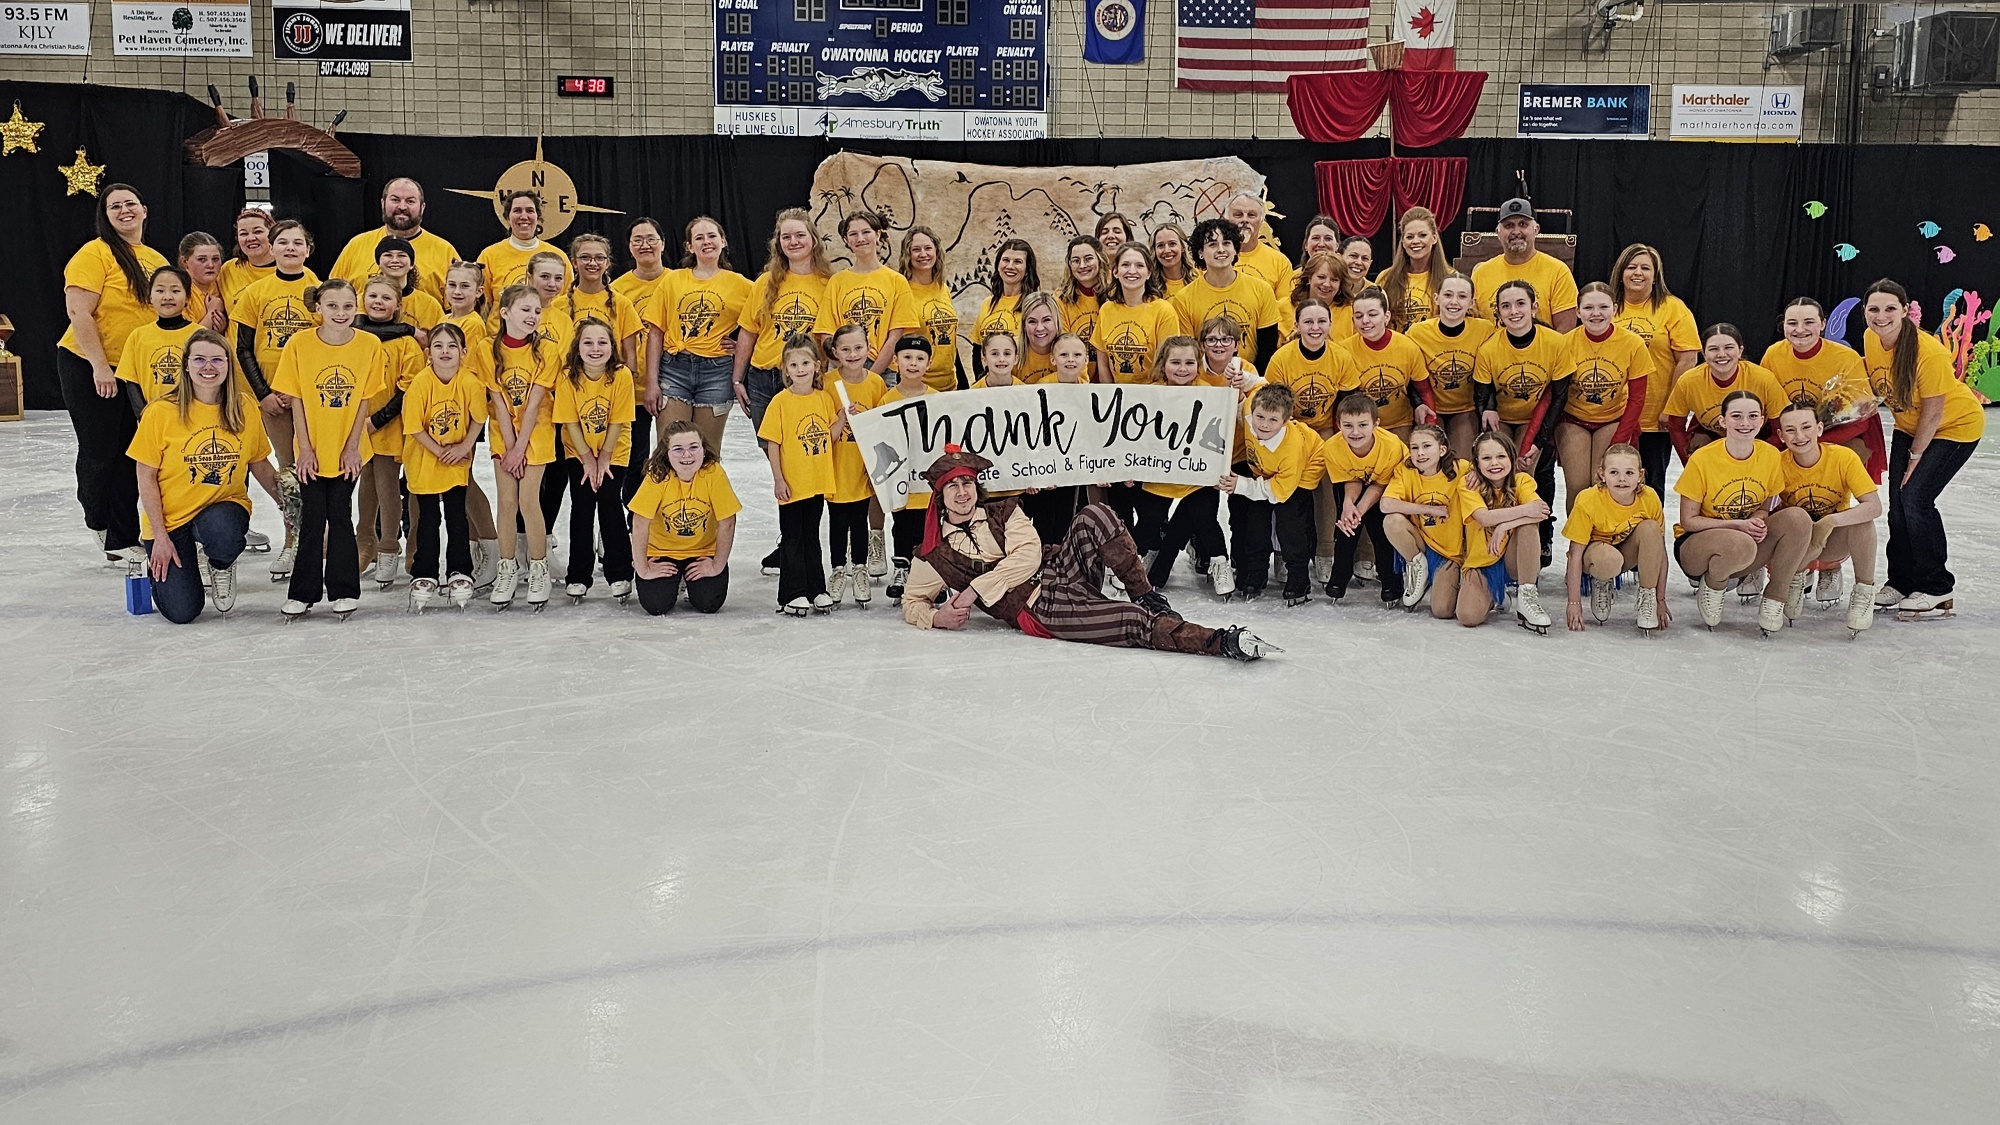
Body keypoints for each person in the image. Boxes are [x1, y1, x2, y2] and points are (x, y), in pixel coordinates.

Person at [900, 446, 1271, 660]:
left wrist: (974, 590)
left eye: (967, 483)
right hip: (1041, 610)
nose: (963, 493)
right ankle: (1222, 641)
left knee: (1096, 513)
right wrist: (937, 619)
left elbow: (1028, 554)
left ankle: (1146, 594)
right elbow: (912, 600)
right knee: (1129, 619)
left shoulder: (1004, 510)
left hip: (1061, 570)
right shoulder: (934, 555)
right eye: (953, 487)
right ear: (941, 496)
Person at [129, 329, 285, 623]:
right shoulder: (160, 412)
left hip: (221, 509)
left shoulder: (244, 407)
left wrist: (288, 507)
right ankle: (180, 565)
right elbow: (145, 477)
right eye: (199, 359)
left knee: (223, 531)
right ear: (186, 364)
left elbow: (260, 464)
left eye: (217, 359)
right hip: (171, 520)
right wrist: (160, 538)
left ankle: (220, 563)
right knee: (182, 612)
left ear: (228, 365)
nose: (208, 367)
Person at [1859, 278, 1986, 616]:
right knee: (1898, 504)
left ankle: (1936, 587)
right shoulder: (1871, 338)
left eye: (1890, 308)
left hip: (1954, 427)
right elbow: (1878, 382)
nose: (1881, 315)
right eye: (1874, 309)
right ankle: (1900, 580)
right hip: (1908, 426)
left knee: (1916, 498)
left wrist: (1916, 457)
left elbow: (1933, 412)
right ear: (1865, 312)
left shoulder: (1928, 353)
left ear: (1905, 310)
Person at [58, 184, 170, 564]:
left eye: (130, 204)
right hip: (88, 363)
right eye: (114, 206)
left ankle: (123, 537)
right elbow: (79, 312)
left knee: (132, 453)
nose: (124, 211)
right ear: (105, 216)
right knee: (100, 450)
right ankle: (97, 518)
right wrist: (100, 366)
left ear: (144, 209)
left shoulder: (154, 258)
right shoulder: (95, 253)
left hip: (135, 369)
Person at [271, 279, 387, 620]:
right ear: (318, 308)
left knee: (339, 513)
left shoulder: (369, 345)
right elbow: (298, 399)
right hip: (312, 446)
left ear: (357, 307)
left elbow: (364, 400)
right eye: (332, 306)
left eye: (348, 306)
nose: (341, 313)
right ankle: (302, 593)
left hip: (348, 448)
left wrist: (352, 448)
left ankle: (344, 590)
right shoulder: (299, 344)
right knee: (312, 517)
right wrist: (305, 449)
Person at [1673, 390, 1811, 634]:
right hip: (1696, 546)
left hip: (1745, 540)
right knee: (1740, 543)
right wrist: (1738, 526)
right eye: (1736, 416)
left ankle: (1776, 595)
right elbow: (1689, 521)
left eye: (1752, 416)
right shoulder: (1703, 459)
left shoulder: (1769, 455)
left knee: (1798, 519)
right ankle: (1713, 585)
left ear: (1762, 420)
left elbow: (1764, 506)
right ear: (1723, 421)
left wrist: (1758, 520)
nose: (1745, 423)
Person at [470, 283, 560, 609]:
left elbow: (535, 404)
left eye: (537, 311)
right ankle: (506, 568)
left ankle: (539, 568)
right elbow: (496, 398)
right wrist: (509, 447)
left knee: (527, 499)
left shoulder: (547, 349)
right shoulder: (486, 349)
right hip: (503, 432)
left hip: (535, 433)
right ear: (505, 312)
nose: (533, 316)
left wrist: (520, 449)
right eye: (525, 310)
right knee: (506, 500)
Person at [1472, 279, 1571, 563]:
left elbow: (1559, 396)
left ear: (1533, 307)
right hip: (1503, 417)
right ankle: (1496, 538)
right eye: (1506, 306)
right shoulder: (1490, 347)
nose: (1513, 311)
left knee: (1534, 474)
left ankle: (1540, 535)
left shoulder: (1554, 343)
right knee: (1500, 472)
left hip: (1537, 417)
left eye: (1520, 304)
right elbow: (1482, 393)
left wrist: (1540, 442)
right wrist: (1487, 408)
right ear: (1498, 312)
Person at [1263, 297, 1361, 580]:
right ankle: (1284, 553)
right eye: (1308, 321)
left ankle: (1325, 552)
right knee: (1286, 489)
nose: (1315, 327)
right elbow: (1272, 406)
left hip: (1325, 429)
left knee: (1328, 487)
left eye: (1321, 321)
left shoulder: (1341, 357)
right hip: (1289, 429)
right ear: (1296, 326)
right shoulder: (1282, 358)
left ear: (1331, 324)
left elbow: (1346, 404)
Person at [400, 323, 488, 611]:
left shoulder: (471, 383)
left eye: (452, 346)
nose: (445, 351)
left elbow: (478, 418)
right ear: (428, 353)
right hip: (425, 459)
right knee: (427, 518)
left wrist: (463, 448)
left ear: (463, 351)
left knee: (456, 516)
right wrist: (439, 451)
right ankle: (424, 572)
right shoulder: (420, 384)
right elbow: (413, 426)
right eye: (438, 346)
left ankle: (460, 570)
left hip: (456, 460)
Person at [1774, 401, 1882, 634]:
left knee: (1863, 521)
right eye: (1790, 430)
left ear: (1820, 429)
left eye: (1806, 427)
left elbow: (1874, 506)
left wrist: (1831, 521)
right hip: (1795, 547)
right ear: (1781, 435)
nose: (1799, 436)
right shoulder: (1776, 464)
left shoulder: (1843, 458)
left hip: (1832, 540)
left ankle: (1864, 591)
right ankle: (1794, 576)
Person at [644, 217, 750, 455]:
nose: (706, 242)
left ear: (722, 241)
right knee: (671, 449)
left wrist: (740, 345)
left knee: (707, 452)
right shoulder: (673, 279)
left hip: (716, 372)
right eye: (699, 238)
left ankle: (703, 494)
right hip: (674, 369)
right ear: (690, 247)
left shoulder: (740, 285)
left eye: (712, 236)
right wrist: (651, 382)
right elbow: (655, 333)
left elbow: (758, 324)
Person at [1135, 337, 1230, 593]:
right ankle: (1132, 565)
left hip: (1196, 476)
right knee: (1148, 522)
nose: (1182, 368)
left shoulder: (1211, 393)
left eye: (1189, 362)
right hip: (1160, 475)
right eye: (1175, 362)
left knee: (1206, 520)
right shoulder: (1151, 393)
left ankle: (1220, 563)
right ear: (1163, 364)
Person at [758, 335, 842, 615]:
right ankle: (792, 593)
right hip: (792, 485)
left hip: (816, 482)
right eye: (793, 364)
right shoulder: (780, 402)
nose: (800, 368)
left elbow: (829, 435)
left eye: (805, 362)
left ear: (817, 366)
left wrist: (842, 417)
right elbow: (773, 443)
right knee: (792, 537)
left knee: (811, 536)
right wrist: (779, 479)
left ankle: (816, 588)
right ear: (786, 369)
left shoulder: (824, 398)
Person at [554, 317, 637, 603]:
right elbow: (570, 422)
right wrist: (588, 458)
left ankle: (620, 572)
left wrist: (604, 458)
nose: (595, 348)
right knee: (582, 506)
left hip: (615, 451)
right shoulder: (567, 377)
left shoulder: (621, 375)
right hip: (578, 451)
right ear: (577, 348)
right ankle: (578, 575)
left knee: (610, 505)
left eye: (602, 342)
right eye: (588, 342)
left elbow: (617, 421)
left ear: (612, 347)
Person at [1221, 383, 1325, 605]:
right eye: (1260, 417)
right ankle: (1255, 574)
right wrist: (1243, 379)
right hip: (1264, 471)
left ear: (1285, 420)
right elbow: (1258, 384)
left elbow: (1277, 493)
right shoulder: (1250, 409)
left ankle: (1299, 579)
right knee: (1256, 522)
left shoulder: (1291, 450)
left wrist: (1240, 485)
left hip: (1302, 471)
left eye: (1273, 420)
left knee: (1290, 524)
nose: (1264, 425)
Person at [1557, 282, 1654, 514]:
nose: (1596, 314)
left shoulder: (1633, 344)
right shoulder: (1565, 343)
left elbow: (1637, 399)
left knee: (1601, 483)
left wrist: (1620, 438)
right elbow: (1556, 394)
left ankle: (1606, 539)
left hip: (1613, 419)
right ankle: (1577, 543)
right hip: (1574, 418)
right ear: (1578, 312)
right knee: (1579, 486)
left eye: (1603, 307)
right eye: (1588, 308)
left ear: (1616, 309)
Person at [1609, 244, 1699, 492]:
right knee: (1609, 484)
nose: (1638, 273)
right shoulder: (1607, 305)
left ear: (1655, 274)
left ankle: (1651, 531)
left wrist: (1671, 408)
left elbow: (1688, 360)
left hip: (1654, 419)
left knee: (1650, 484)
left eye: (1645, 268)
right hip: (1610, 415)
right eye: (1631, 267)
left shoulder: (1673, 308)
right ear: (1621, 271)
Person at [734, 207, 832, 435]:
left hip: (808, 377)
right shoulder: (765, 282)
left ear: (814, 240)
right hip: (763, 378)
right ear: (778, 243)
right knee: (772, 450)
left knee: (804, 445)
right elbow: (748, 332)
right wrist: (737, 380)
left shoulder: (830, 284)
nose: (793, 242)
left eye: (800, 235)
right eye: (786, 237)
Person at [353, 275, 424, 586]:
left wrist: (377, 421)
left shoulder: (406, 344)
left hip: (388, 424)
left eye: (385, 298)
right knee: (365, 481)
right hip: (358, 424)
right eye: (373, 297)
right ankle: (364, 541)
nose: (378, 302)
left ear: (397, 305)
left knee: (387, 486)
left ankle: (389, 547)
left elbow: (408, 389)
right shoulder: (354, 338)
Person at [628, 420, 740, 615]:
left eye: (693, 447)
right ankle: (675, 579)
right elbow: (639, 523)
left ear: (703, 450)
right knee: (656, 605)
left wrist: (716, 565)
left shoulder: (713, 473)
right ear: (667, 453)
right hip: (661, 551)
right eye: (678, 449)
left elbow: (727, 522)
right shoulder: (658, 475)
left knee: (709, 602)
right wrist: (642, 568)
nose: (687, 455)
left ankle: (688, 578)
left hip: (702, 551)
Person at [1761, 297, 1879, 477]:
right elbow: (1768, 407)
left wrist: (1813, 440)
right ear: (1783, 325)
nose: (1800, 329)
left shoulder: (1845, 357)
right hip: (1787, 435)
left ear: (1823, 324)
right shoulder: (1773, 354)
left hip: (1832, 436)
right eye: (1792, 323)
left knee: (1852, 452)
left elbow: (1861, 421)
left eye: (1809, 322)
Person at [1562, 442, 1669, 634]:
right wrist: (1574, 602)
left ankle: (1647, 598)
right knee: (1608, 559)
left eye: (1629, 473)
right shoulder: (1588, 499)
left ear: (1640, 475)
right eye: (1614, 473)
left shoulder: (1649, 498)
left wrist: (1660, 599)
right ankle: (1601, 581)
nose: (1622, 479)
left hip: (1626, 553)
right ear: (1602, 474)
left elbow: (1660, 554)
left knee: (1651, 529)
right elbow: (1574, 555)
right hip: (1596, 557)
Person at [1461, 430, 1553, 630]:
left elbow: (1541, 512)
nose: (1495, 463)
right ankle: (1495, 596)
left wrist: (1505, 525)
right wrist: (1523, 510)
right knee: (1468, 616)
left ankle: (1527, 596)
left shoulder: (1522, 481)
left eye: (1501, 456)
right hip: (1483, 561)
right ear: (1476, 463)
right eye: (1486, 458)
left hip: (1514, 559)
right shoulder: (1469, 485)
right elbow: (1484, 518)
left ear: (1512, 457)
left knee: (1528, 526)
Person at [1320, 393, 1407, 604]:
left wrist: (1359, 509)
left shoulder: (1392, 445)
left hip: (1384, 487)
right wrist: (1349, 505)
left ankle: (1392, 586)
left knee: (1381, 533)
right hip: (1353, 483)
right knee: (1345, 530)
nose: (1355, 432)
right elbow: (1351, 478)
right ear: (1338, 424)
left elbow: (1379, 485)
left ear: (1376, 424)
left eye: (1362, 425)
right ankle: (1337, 583)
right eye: (1348, 425)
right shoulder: (1331, 447)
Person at [1379, 424, 1474, 616]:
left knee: (1442, 610)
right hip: (1422, 543)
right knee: (1392, 521)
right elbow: (1386, 505)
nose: (1420, 453)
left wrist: (1478, 475)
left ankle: (1476, 588)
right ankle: (1417, 564)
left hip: (1450, 551)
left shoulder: (1461, 468)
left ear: (1442, 450)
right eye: (1414, 447)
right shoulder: (1406, 471)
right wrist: (1430, 510)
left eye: (1426, 446)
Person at [1660, 324, 1787, 463]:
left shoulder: (1763, 378)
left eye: (1728, 348)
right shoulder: (1688, 381)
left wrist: (1760, 461)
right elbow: (1675, 427)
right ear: (1704, 354)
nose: (1721, 354)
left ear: (1740, 351)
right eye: (1714, 349)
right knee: (1698, 444)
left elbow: (1781, 427)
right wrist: (1689, 462)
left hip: (1759, 435)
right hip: (1714, 435)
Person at [824, 323, 886, 604]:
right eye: (845, 349)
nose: (852, 354)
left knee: (860, 520)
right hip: (836, 467)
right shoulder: (826, 384)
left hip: (862, 468)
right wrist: (840, 418)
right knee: (837, 521)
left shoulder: (876, 383)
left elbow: (881, 429)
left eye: (858, 348)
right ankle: (838, 570)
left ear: (868, 348)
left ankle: (860, 569)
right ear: (835, 352)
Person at [815, 210, 917, 372]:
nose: (860, 238)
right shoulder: (836, 281)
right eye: (853, 234)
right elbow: (826, 334)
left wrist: (872, 376)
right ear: (846, 240)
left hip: (883, 368)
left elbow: (895, 337)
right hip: (842, 367)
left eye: (866, 232)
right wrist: (846, 368)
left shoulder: (897, 281)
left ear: (878, 235)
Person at [1172, 218, 1281, 367]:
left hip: (1250, 378)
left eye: (1227, 243)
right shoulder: (1184, 298)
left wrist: (1249, 380)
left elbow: (1267, 348)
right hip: (1204, 383)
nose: (1221, 249)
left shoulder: (1262, 290)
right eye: (1212, 244)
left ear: (1235, 249)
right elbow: (1190, 352)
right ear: (1201, 253)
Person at [1406, 272, 1494, 456]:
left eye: (1462, 296)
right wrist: (1417, 404)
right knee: (1430, 459)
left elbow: (1493, 372)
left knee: (1460, 463)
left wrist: (1489, 406)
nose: (1454, 301)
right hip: (1431, 405)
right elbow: (1409, 373)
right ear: (1436, 298)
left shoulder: (1484, 330)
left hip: (1465, 407)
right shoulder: (1417, 332)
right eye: (1448, 295)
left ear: (1471, 302)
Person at [880, 335, 941, 601]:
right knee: (901, 525)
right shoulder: (886, 400)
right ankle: (902, 570)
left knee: (927, 529)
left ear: (928, 364)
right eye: (907, 358)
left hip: (926, 485)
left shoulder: (939, 400)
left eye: (919, 359)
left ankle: (929, 577)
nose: (913, 363)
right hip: (901, 482)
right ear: (895, 362)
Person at [331, 178, 461, 300]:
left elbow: (457, 310)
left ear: (422, 207)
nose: (402, 207)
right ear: (383, 203)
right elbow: (333, 297)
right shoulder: (356, 245)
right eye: (395, 200)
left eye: (410, 201)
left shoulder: (444, 251)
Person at [1020, 333, 1093, 544]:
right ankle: (1037, 562)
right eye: (1064, 354)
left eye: (1077, 354)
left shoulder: (1089, 392)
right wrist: (1035, 470)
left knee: (1064, 518)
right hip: (1044, 466)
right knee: (1042, 517)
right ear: (1053, 359)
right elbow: (1031, 432)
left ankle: (1057, 560)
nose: (1070, 359)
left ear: (1086, 360)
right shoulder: (1041, 388)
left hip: (1070, 470)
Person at [1470, 198, 1578, 331]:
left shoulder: (1558, 272)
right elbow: (1473, 326)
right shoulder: (1481, 274)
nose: (1516, 231)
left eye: (1523, 224)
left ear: (1536, 229)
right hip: (1492, 351)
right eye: (1509, 225)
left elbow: (1565, 332)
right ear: (1498, 232)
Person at [1342, 286, 1429, 440]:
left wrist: (1428, 429)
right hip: (1360, 427)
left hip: (1400, 423)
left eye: (1373, 314)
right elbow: (1342, 402)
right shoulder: (1344, 350)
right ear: (1352, 321)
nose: (1365, 321)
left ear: (1387, 316)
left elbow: (1424, 391)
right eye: (1359, 316)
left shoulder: (1408, 347)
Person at [550, 232, 644, 371]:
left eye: (599, 258)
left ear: (607, 263)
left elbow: (630, 355)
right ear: (574, 263)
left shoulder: (622, 304)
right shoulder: (557, 305)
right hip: (569, 384)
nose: (592, 263)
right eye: (585, 257)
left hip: (611, 384)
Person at [1094, 243, 1181, 384]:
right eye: (1126, 265)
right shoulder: (1106, 310)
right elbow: (1103, 364)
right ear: (1115, 271)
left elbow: (1168, 363)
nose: (1132, 271)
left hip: (1153, 395)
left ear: (1149, 273)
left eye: (1139, 266)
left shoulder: (1164, 311)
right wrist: (1110, 394)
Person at [116, 266, 200, 410]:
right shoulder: (138, 336)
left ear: (187, 297)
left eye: (175, 291)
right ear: (150, 296)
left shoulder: (200, 335)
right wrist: (144, 416)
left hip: (192, 416)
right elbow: (131, 382)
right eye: (160, 291)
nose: (167, 297)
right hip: (152, 419)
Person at [476, 189, 571, 307]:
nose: (524, 216)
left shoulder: (558, 256)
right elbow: (482, 305)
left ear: (538, 217)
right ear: (507, 218)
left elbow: (567, 302)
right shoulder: (489, 256)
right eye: (517, 211)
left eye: (530, 211)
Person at [898, 226, 963, 391]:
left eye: (928, 248)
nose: (923, 254)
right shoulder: (902, 291)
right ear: (907, 255)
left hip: (949, 385)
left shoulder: (943, 288)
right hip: (918, 387)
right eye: (916, 250)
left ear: (936, 251)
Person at [1225, 191, 1294, 323]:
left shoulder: (1280, 262)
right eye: (1238, 215)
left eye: (1251, 215)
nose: (1244, 220)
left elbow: (1285, 311)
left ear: (1261, 220)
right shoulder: (1211, 259)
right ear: (1226, 220)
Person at [971, 238, 1038, 370]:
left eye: (1018, 262)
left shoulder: (1034, 306)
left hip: (1022, 386)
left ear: (1027, 270)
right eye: (1006, 260)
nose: (1010, 266)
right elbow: (977, 349)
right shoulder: (987, 304)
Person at [1377, 207, 1448, 330]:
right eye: (1409, 237)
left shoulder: (1450, 278)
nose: (1415, 241)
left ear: (1434, 238)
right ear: (1403, 242)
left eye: (1422, 235)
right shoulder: (1385, 278)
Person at [373, 236, 445, 339]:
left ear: (411, 264)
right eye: (388, 255)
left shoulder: (429, 304)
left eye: (401, 255)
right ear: (378, 263)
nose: (394, 260)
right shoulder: (366, 299)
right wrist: (411, 330)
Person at [1291, 251, 1357, 347]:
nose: (1326, 284)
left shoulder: (1352, 311)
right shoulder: (1283, 307)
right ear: (1309, 278)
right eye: (1321, 277)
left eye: (1334, 280)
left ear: (1341, 284)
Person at [218, 208, 277, 311]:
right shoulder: (228, 269)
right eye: (243, 234)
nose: (250, 238)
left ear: (272, 234)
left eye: (258, 231)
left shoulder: (289, 269)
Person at [1055, 235, 1104, 353]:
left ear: (1100, 259)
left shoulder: (1114, 294)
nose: (1082, 265)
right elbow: (1065, 345)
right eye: (1076, 261)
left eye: (1088, 259)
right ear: (1069, 264)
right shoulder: (1060, 298)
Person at [178, 232, 229, 334]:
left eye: (215, 259)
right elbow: (183, 339)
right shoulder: (179, 292)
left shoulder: (225, 284)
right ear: (185, 262)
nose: (210, 265)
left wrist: (224, 329)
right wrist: (211, 314)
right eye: (202, 259)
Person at [1015, 291, 1063, 384]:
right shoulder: (1011, 352)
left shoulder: (1072, 351)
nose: (1040, 328)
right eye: (1032, 321)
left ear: (1057, 321)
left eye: (1046, 320)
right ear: (1024, 325)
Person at [1150, 224, 1192, 296]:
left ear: (1182, 247)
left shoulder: (1200, 277)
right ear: (1154, 250)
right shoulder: (1150, 286)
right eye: (1160, 246)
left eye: (1172, 244)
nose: (1167, 250)